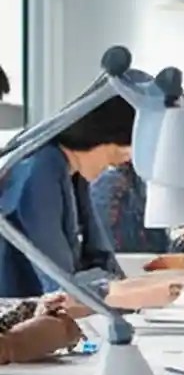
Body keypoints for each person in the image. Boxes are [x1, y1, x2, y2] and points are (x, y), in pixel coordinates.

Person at [0, 95, 133, 298]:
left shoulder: (70, 173)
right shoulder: (39, 169)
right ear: (102, 135)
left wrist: (130, 287)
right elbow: (59, 282)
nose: (123, 161)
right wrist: (128, 293)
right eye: (118, 154)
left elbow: (100, 257)